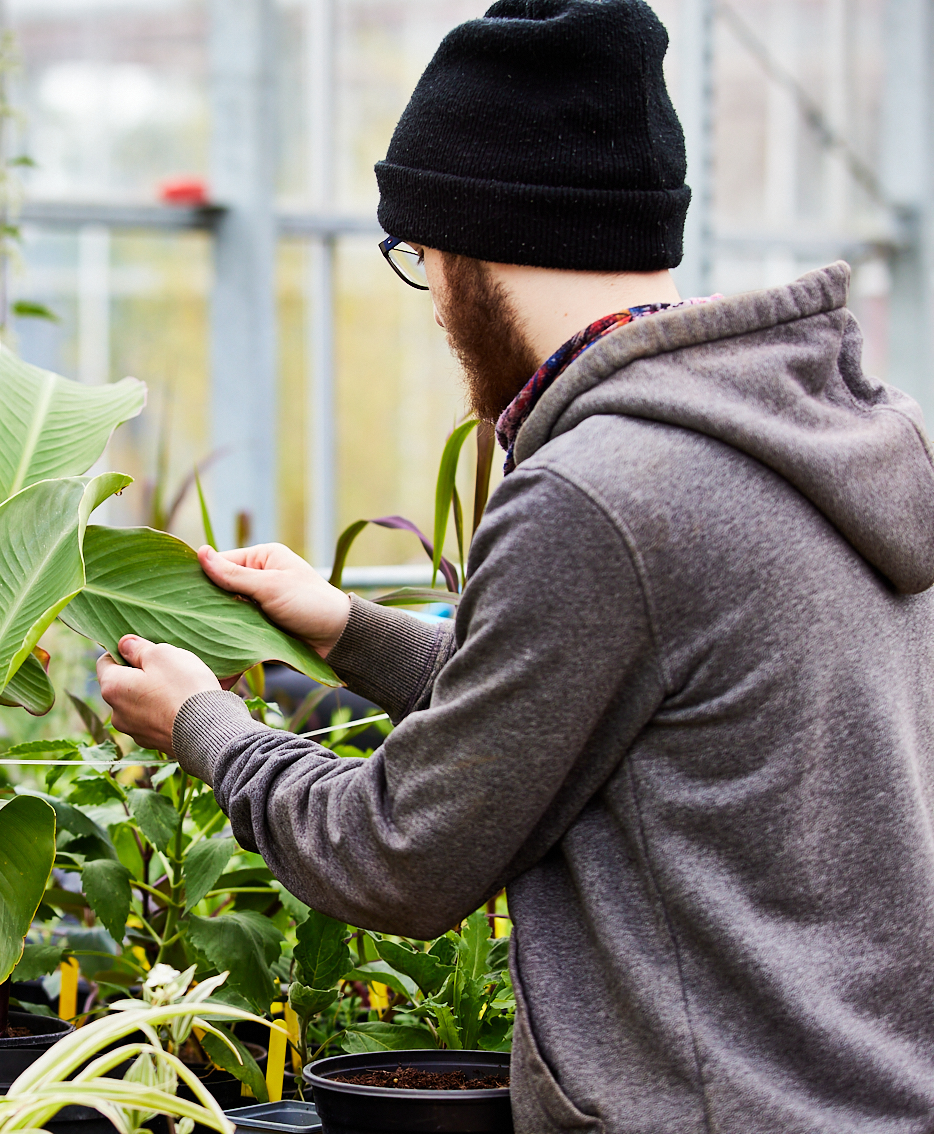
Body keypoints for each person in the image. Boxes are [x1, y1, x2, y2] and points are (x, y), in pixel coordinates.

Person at [95, 1, 934, 1130]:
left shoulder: (600, 492)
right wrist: (346, 626)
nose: (433, 299)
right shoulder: (825, 433)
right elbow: (609, 692)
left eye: (422, 259)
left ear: (469, 250)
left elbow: (396, 856)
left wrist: (203, 727)